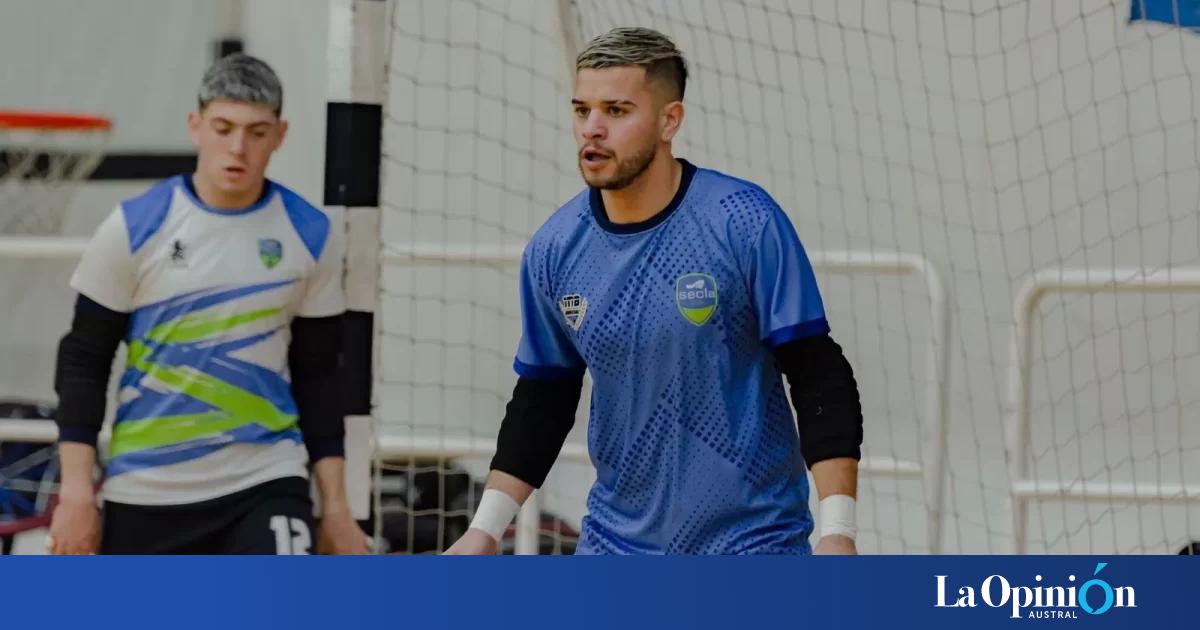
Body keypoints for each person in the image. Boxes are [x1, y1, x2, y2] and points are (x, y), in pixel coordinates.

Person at [446, 27, 864, 555]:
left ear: (670, 121)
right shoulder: (554, 249)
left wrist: (838, 533)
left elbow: (818, 375)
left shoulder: (743, 221)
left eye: (616, 111)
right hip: (614, 549)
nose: (592, 130)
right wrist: (484, 530)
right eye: (582, 110)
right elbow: (542, 399)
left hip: (752, 547)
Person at [48, 53, 368, 555]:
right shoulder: (134, 227)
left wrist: (337, 509)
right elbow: (83, 361)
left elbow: (320, 377)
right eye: (223, 127)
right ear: (196, 127)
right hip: (146, 488)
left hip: (264, 480)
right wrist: (75, 493)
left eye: (257, 132)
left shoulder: (310, 235)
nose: (238, 147)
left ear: (280, 136)